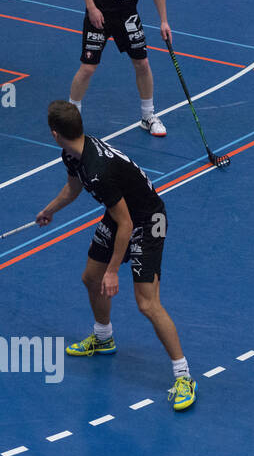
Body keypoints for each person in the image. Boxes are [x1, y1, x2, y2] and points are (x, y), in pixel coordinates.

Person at [36, 100, 196, 411]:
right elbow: (72, 189)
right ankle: (104, 337)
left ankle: (184, 375)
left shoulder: (98, 170)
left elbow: (126, 225)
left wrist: (113, 271)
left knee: (146, 302)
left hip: (147, 219)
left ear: (55, 133)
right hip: (121, 212)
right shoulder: (73, 154)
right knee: (89, 277)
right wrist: (49, 211)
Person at [69, 0, 171, 137]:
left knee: (142, 63)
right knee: (88, 67)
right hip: (100, 14)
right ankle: (72, 117)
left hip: (127, 15)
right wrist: (91, 7)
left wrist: (164, 21)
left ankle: (147, 116)